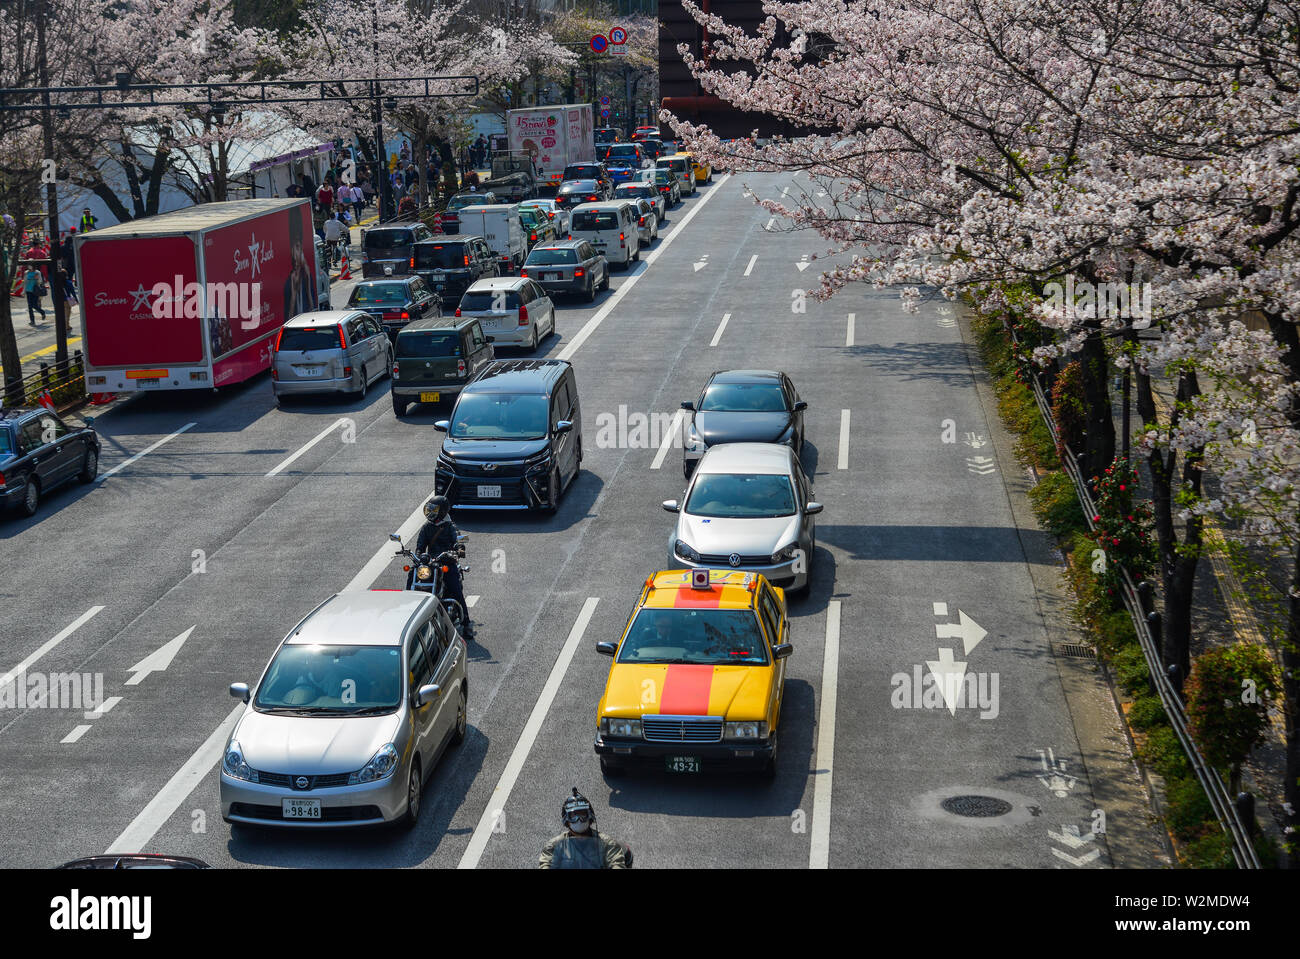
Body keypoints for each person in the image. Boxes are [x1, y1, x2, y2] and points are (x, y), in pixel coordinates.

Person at [414, 496, 474, 638]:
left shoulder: (449, 526)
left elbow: (457, 539)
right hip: (430, 564)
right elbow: (420, 546)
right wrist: (418, 555)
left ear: (442, 511)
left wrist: (459, 548)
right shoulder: (426, 527)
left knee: (456, 589)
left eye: (433, 510)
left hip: (447, 562)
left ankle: (466, 623)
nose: (430, 512)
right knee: (412, 573)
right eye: (429, 509)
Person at [538, 789, 628, 869]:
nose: (579, 819)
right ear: (566, 819)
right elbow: (545, 864)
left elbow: (617, 863)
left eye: (582, 814)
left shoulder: (608, 844)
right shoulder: (553, 846)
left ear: (590, 816)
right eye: (573, 816)